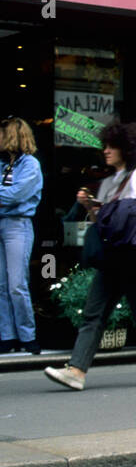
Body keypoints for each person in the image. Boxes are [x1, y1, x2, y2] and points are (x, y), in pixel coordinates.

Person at [45, 123, 136, 391]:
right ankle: (76, 371)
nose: (105, 151)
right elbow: (104, 221)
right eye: (104, 146)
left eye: (111, 146)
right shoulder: (107, 182)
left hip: (135, 254)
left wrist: (116, 206)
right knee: (94, 312)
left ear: (126, 148)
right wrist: (91, 207)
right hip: (113, 255)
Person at [0, 116, 43, 355]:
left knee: (17, 284)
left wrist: (4, 198)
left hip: (18, 225)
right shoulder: (3, 164)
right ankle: (8, 336)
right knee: (1, 284)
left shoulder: (30, 165)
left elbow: (15, 195)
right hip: (3, 223)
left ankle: (28, 336)